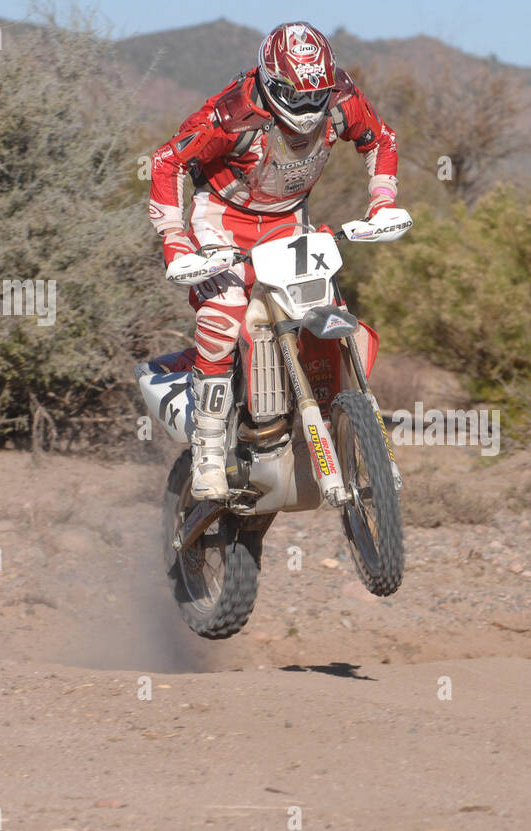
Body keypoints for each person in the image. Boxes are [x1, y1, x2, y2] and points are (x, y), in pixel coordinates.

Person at [149, 21, 398, 499]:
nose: (306, 109)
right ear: (268, 80)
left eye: (315, 96)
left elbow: (381, 139)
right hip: (223, 216)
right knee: (223, 315)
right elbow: (167, 161)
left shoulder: (342, 99)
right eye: (294, 96)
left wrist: (382, 201)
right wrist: (175, 240)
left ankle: (332, 415)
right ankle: (208, 449)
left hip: (287, 219)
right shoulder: (233, 111)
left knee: (323, 303)